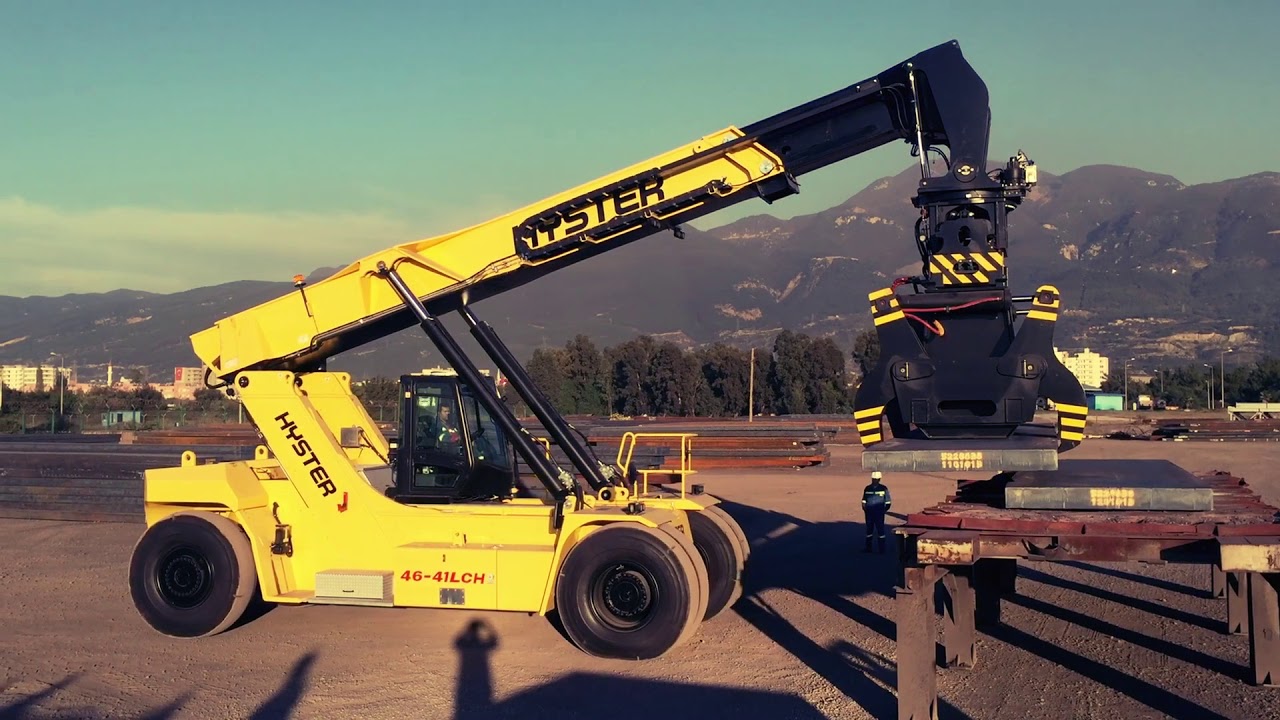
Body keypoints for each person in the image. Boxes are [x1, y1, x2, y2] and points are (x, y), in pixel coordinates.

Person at [861, 471, 892, 553]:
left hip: (877, 513)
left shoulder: (883, 488)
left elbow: (888, 502)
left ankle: (881, 549)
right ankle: (869, 548)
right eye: (874, 479)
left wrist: (882, 511)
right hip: (871, 513)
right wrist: (866, 510)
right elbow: (864, 501)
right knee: (869, 531)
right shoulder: (867, 488)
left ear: (879, 479)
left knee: (880, 530)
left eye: (875, 479)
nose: (874, 481)